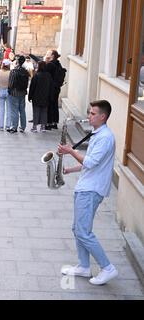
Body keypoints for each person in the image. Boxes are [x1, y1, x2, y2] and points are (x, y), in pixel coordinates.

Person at [58, 100, 119, 286]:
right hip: (86, 186)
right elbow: (90, 163)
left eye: (93, 113)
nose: (89, 116)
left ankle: (107, 268)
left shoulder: (105, 138)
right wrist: (71, 170)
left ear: (103, 117)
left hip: (91, 190)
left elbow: (91, 163)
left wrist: (69, 151)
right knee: (78, 229)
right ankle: (84, 267)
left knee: (84, 232)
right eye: (89, 112)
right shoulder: (97, 134)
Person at [28, 61, 52, 133]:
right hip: (46, 97)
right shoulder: (49, 76)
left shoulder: (36, 76)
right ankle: (43, 127)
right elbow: (51, 87)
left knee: (36, 112)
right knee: (44, 112)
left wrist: (30, 96)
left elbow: (32, 87)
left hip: (36, 97)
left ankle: (34, 127)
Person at [8, 55, 30, 133]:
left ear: (17, 62)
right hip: (22, 93)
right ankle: (23, 127)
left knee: (14, 111)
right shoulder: (26, 72)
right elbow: (27, 83)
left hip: (14, 93)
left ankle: (14, 127)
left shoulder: (14, 71)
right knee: (22, 110)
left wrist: (9, 91)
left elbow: (10, 83)